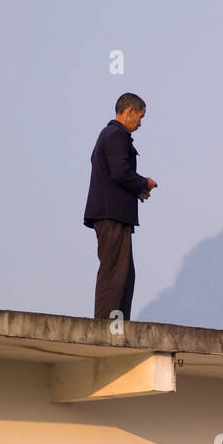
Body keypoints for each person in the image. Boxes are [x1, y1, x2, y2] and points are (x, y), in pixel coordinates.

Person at [83, 93, 158, 322]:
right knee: (115, 272)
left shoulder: (110, 135)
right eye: (140, 116)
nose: (140, 123)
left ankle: (118, 323)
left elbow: (116, 174)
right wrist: (143, 183)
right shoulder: (116, 135)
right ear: (129, 112)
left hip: (113, 213)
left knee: (124, 273)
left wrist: (137, 190)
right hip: (111, 214)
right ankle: (107, 326)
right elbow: (120, 172)